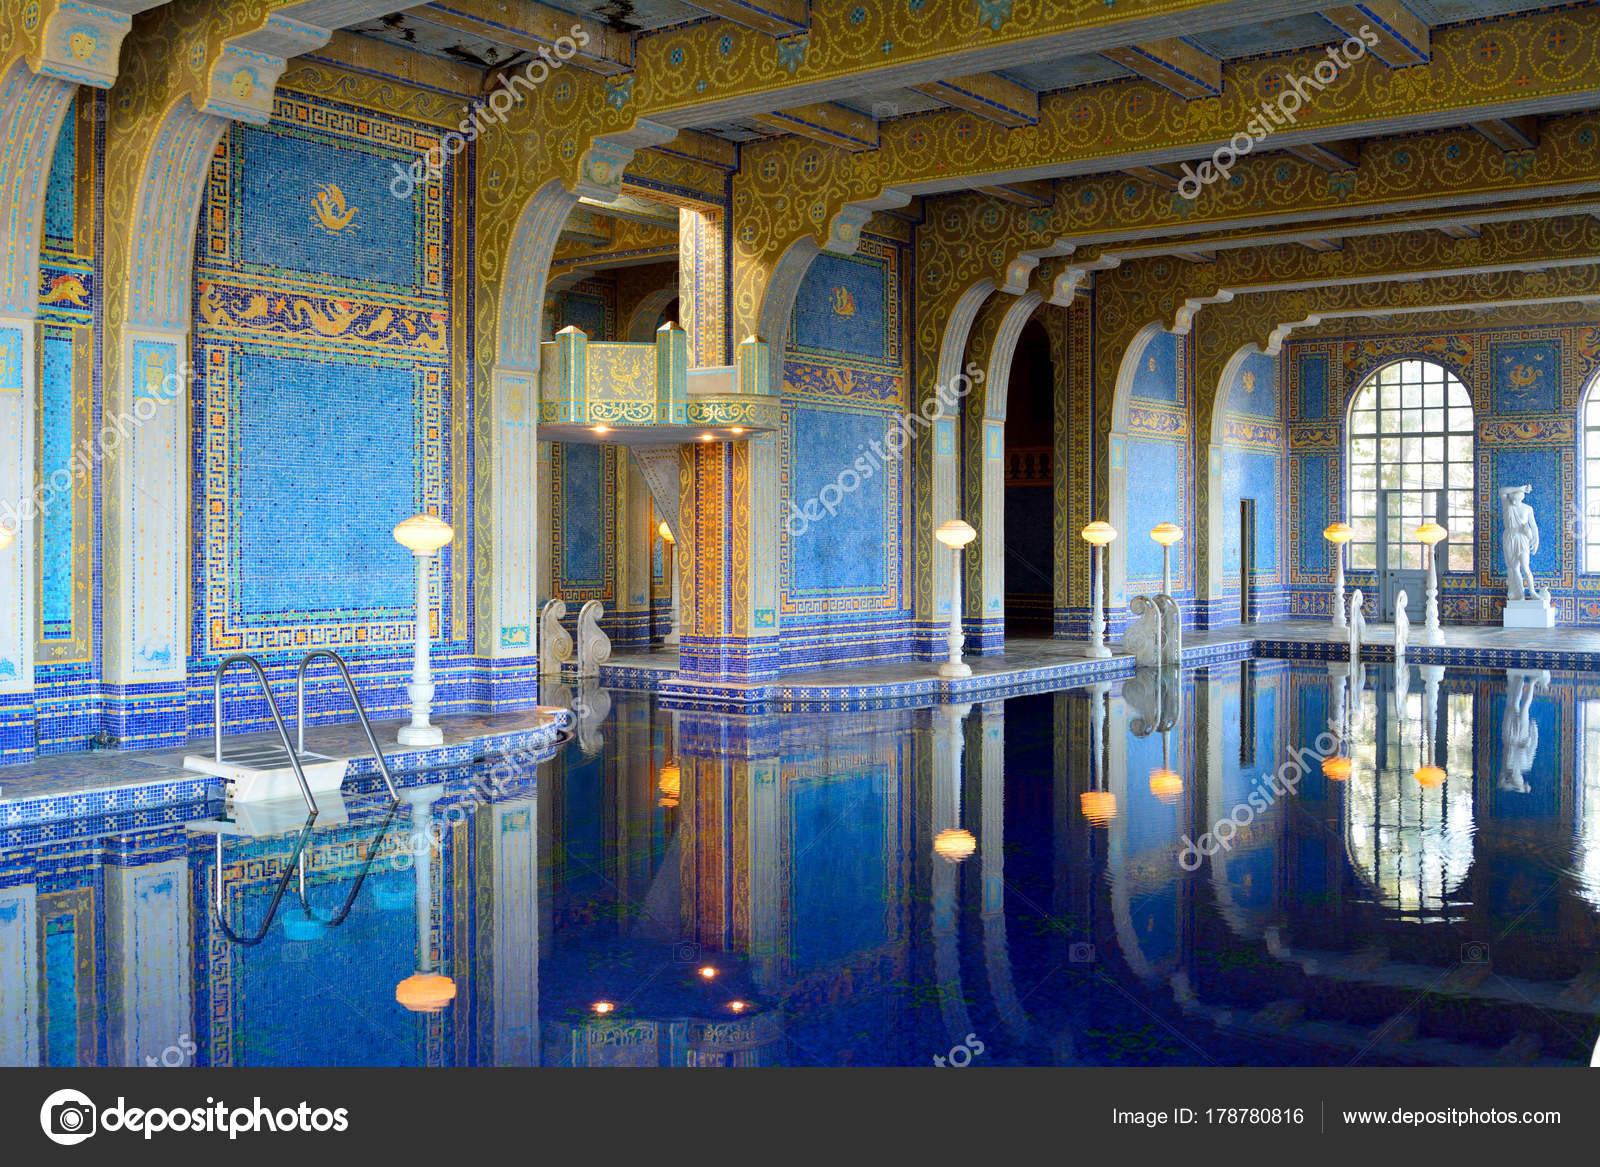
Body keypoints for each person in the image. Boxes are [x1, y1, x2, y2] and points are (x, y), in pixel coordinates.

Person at [1500, 484, 1540, 602]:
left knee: (1525, 567)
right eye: (1513, 499)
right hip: (1509, 537)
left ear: (1521, 498)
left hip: (1522, 538)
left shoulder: (1528, 509)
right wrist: (1520, 488)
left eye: (1516, 499)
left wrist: (1535, 539)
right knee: (1514, 567)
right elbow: (1502, 491)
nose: (1514, 502)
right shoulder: (1507, 504)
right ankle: (1519, 595)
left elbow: (1534, 526)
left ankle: (1532, 592)